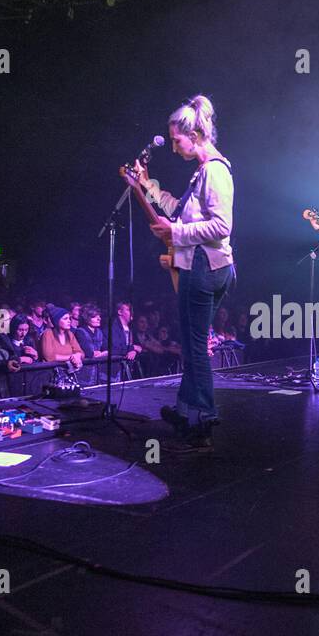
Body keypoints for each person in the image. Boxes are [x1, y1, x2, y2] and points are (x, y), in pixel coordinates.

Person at [120, 94, 234, 450]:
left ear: (196, 134)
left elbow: (221, 225)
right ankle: (188, 411)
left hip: (205, 265)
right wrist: (147, 184)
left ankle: (204, 415)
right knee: (191, 342)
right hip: (202, 264)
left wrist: (176, 233)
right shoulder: (202, 171)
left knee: (195, 345)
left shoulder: (215, 170)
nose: (173, 147)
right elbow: (179, 209)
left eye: (176, 139)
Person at [39, 305, 84, 371]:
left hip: (69, 372)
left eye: (69, 318)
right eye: (65, 319)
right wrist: (71, 357)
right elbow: (49, 357)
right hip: (51, 372)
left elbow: (81, 353)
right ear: (57, 320)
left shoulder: (69, 334)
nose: (69, 321)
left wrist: (78, 355)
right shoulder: (48, 333)